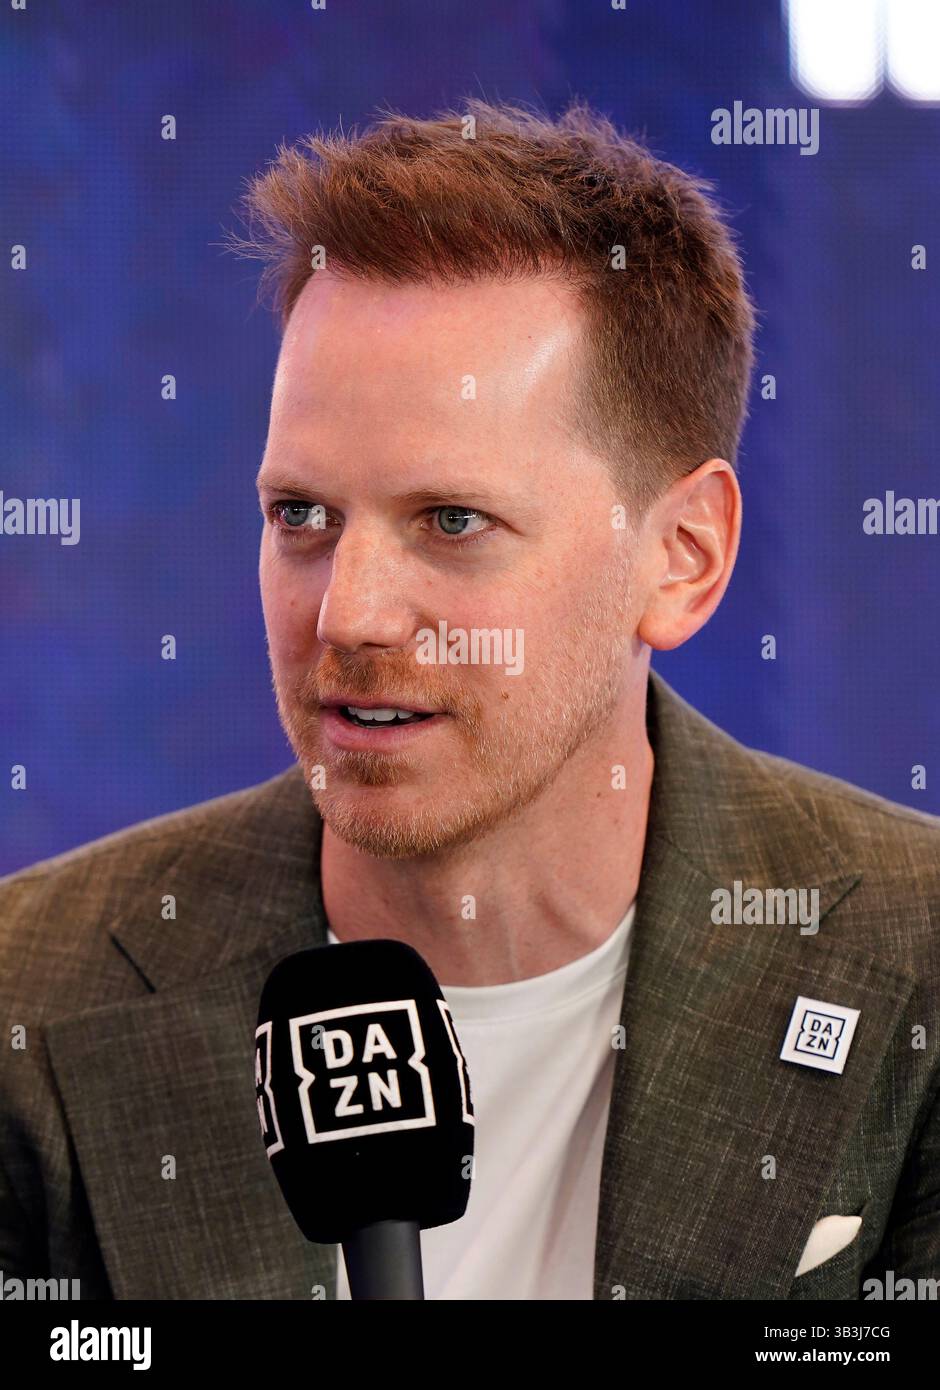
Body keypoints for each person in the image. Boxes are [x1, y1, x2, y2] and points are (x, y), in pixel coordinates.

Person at [1, 99, 937, 1301]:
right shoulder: (31, 1004)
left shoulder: (913, 972)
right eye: (302, 516)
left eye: (451, 521)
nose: (349, 614)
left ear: (683, 556)